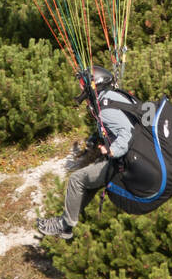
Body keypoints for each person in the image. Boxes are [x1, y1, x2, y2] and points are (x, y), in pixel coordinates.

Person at [37, 65, 134, 239]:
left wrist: (111, 151)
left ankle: (65, 225)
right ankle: (69, 221)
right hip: (129, 158)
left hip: (124, 161)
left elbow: (127, 133)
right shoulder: (114, 97)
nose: (81, 87)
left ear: (94, 85)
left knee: (75, 180)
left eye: (83, 83)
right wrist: (95, 138)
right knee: (86, 181)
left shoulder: (105, 107)